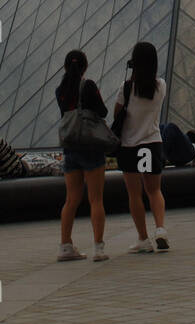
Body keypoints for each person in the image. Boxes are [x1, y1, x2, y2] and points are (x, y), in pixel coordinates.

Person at [113, 41, 169, 253]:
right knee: (154, 190)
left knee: (135, 195)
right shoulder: (160, 86)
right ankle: (161, 228)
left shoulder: (126, 88)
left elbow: (117, 114)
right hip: (152, 143)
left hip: (130, 146)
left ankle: (143, 238)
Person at [54, 50, 109, 262]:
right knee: (96, 200)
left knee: (71, 200)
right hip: (91, 146)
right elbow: (102, 112)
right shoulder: (88, 86)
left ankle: (65, 246)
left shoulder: (60, 90)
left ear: (66, 67)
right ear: (84, 67)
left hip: (70, 147)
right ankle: (98, 248)